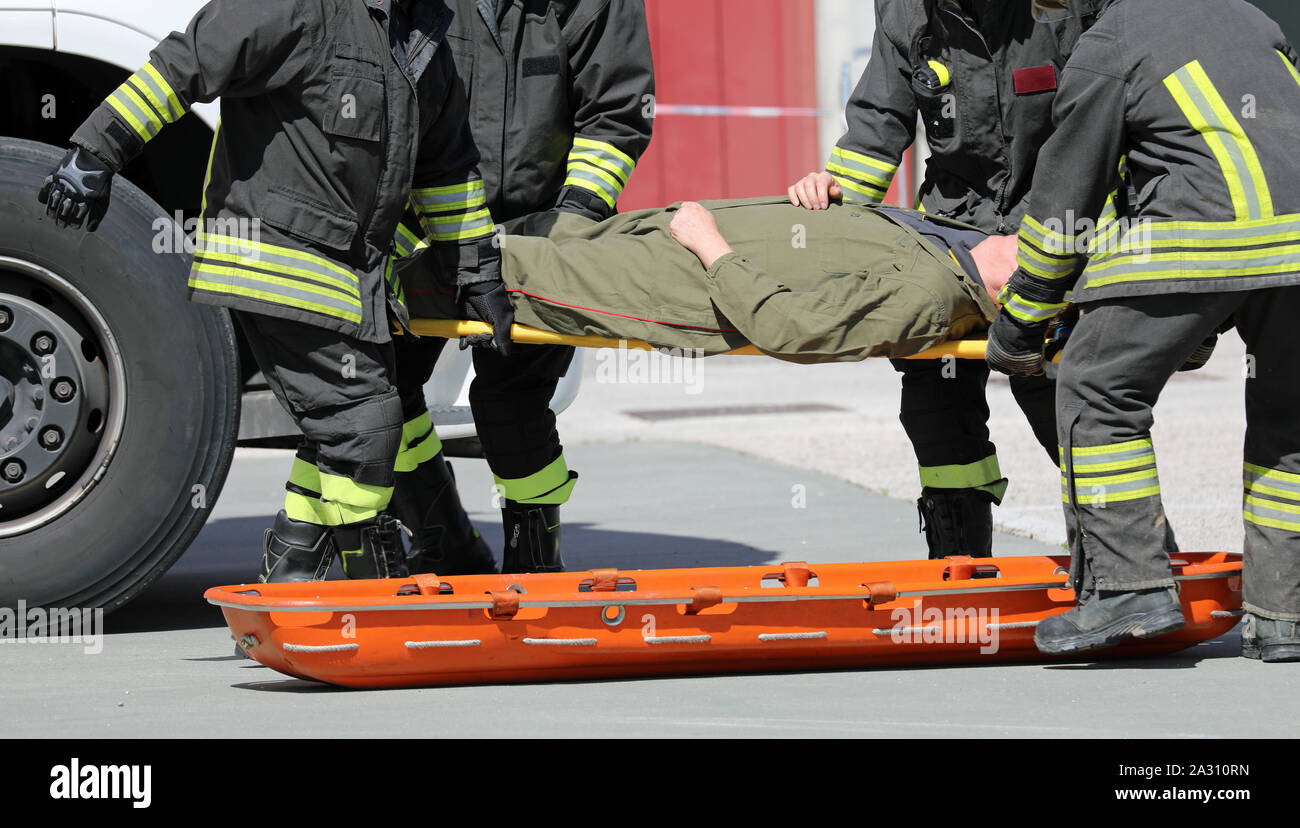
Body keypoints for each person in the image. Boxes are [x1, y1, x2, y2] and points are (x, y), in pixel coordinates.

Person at [37, 0, 508, 583]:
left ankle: (293, 575)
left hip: (347, 281)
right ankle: (367, 584)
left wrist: (478, 270)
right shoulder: (294, 5)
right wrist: (96, 153)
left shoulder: (426, 37)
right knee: (368, 423)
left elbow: (447, 170)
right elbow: (183, 66)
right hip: (275, 259)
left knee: (342, 427)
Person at [986, 0, 1300, 662]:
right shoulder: (1247, 17)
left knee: (1097, 389)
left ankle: (1128, 587)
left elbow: (1063, 207)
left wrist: (1022, 319)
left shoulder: (1111, 41)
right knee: (1289, 424)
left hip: (1202, 239)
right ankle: (1286, 614)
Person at [787, 0, 1089, 559]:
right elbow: (878, 123)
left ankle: (1119, 564)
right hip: (954, 238)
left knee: (1059, 398)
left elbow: (1110, 119)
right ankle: (960, 568)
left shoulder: (1064, 9)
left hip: (1053, 232)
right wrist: (834, 202)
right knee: (936, 401)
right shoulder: (908, 13)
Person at [388, 0, 655, 576]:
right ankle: (444, 542)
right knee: (381, 390)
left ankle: (535, 563)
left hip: (540, 230)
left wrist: (566, 225)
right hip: (424, 227)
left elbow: (615, 114)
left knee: (514, 403)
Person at [403, 198, 1013, 363]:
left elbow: (793, 329)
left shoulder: (933, 295)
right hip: (672, 233)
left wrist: (711, 247)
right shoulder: (955, 238)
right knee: (529, 228)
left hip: (680, 284)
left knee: (495, 270)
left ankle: (353, 297)